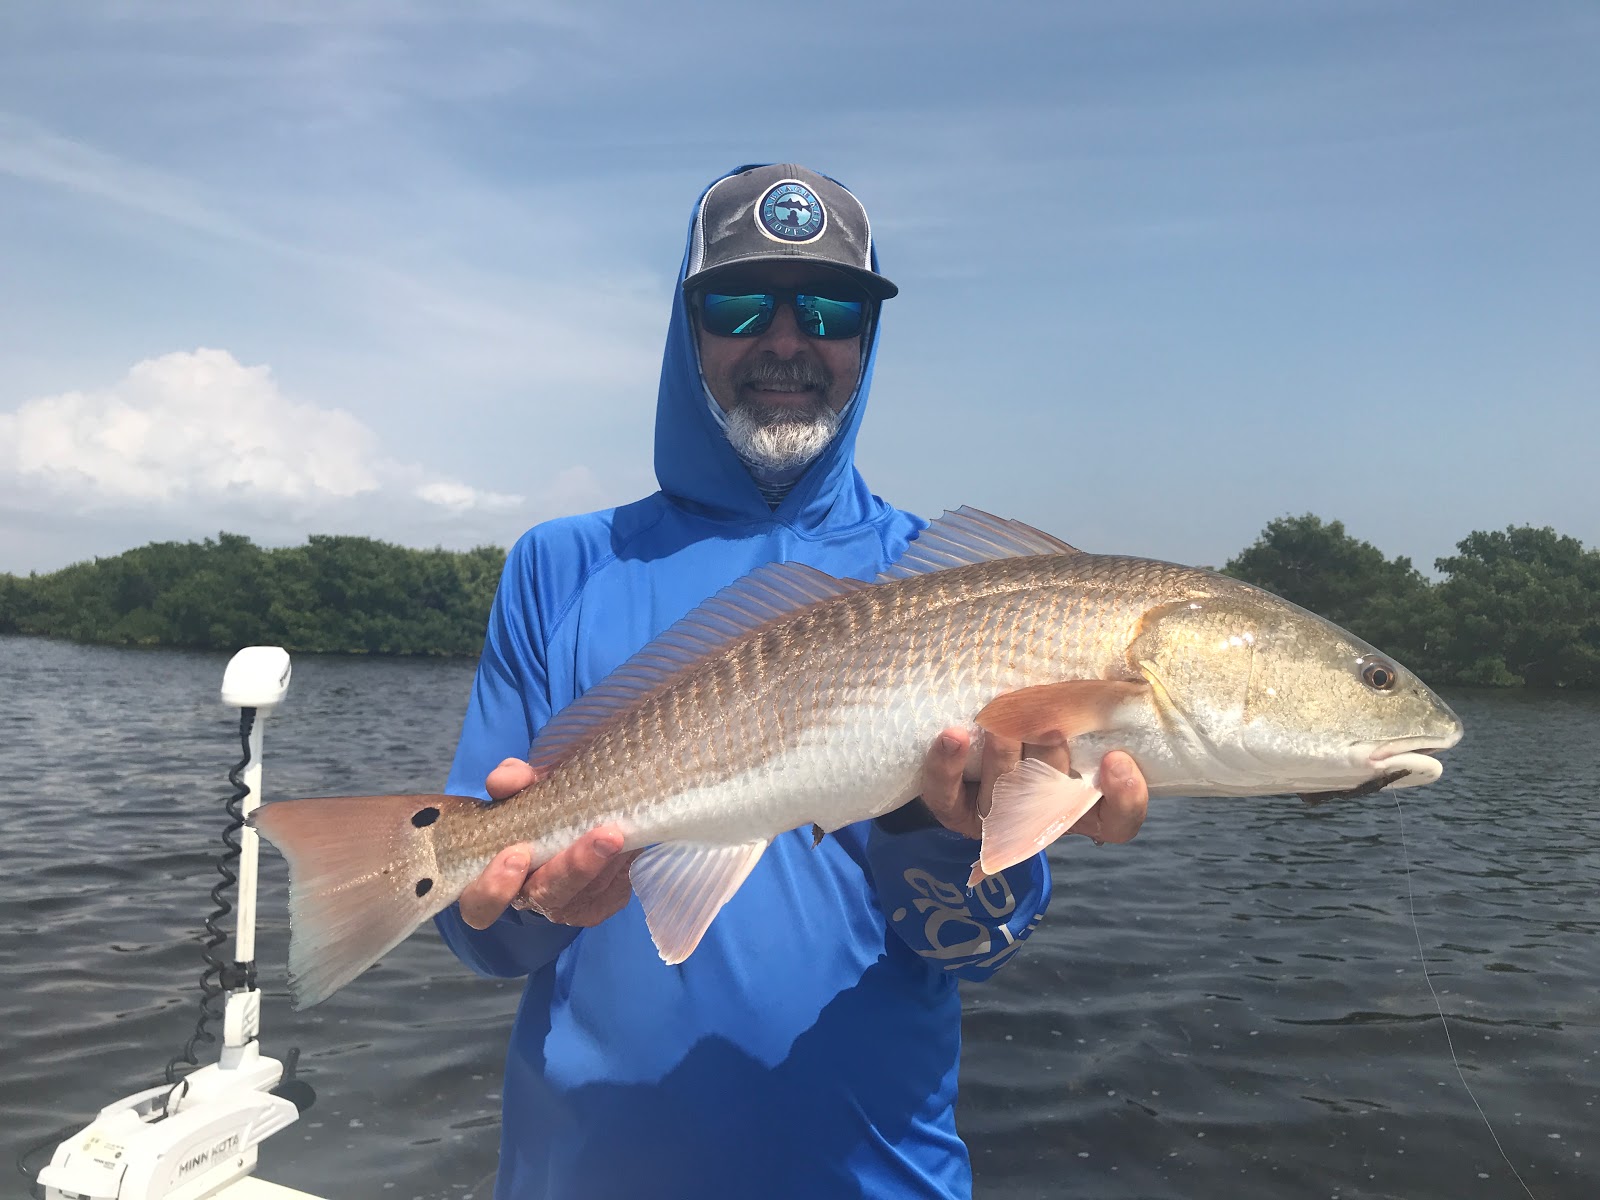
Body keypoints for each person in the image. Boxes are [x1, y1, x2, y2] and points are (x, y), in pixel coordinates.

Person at [433, 163, 1149, 1200]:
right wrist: (545, 904)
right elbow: (473, 931)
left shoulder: (958, 587)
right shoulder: (564, 566)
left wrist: (935, 835)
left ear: (865, 336)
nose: (784, 341)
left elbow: (978, 947)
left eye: (829, 308)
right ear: (687, 329)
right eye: (738, 305)